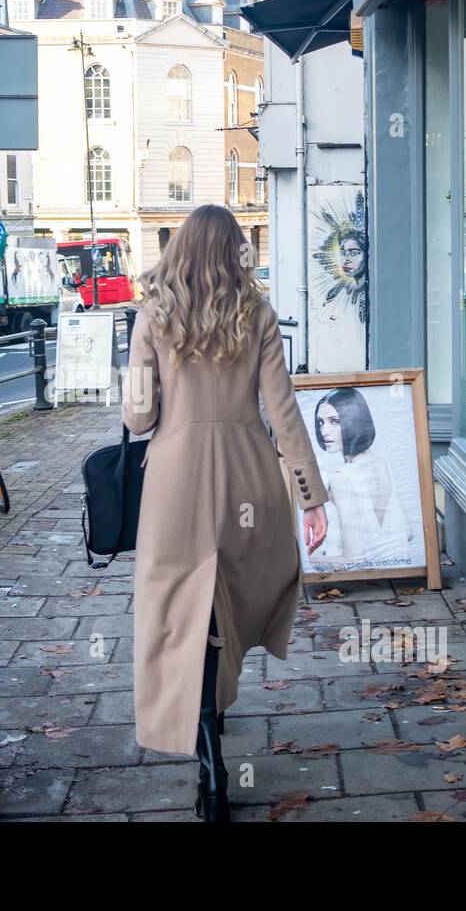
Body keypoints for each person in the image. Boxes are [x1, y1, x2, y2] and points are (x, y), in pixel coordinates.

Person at [122, 204, 329, 822]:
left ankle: (209, 767)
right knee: (232, 599)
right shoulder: (257, 314)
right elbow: (282, 411)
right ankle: (216, 714)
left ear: (179, 251)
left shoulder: (152, 315)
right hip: (248, 479)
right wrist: (312, 497)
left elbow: (137, 417)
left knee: (180, 608)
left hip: (175, 486)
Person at [313, 387, 413, 562]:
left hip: (359, 580)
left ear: (354, 420)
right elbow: (407, 532)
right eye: (321, 422)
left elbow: (354, 560)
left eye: (334, 421)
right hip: (395, 568)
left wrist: (308, 560)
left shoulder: (341, 477)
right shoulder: (381, 463)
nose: (324, 431)